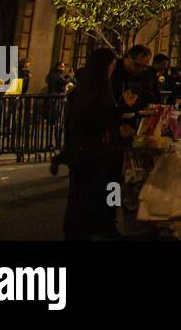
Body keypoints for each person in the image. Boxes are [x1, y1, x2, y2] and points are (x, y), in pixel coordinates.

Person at [62, 48, 137, 240]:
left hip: (86, 151)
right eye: (111, 66)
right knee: (106, 190)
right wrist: (122, 107)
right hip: (99, 152)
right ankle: (102, 227)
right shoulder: (98, 90)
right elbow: (100, 120)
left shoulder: (83, 90)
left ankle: (89, 228)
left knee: (83, 195)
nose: (113, 69)